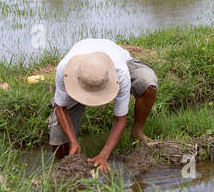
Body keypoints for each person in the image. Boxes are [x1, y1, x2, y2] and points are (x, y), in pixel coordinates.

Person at [49, 38, 158, 173]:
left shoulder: (121, 73)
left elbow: (120, 119)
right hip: (78, 71)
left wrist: (104, 154)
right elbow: (61, 107)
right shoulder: (64, 70)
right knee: (60, 146)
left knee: (148, 83)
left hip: (118, 62)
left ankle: (137, 132)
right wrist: (73, 141)